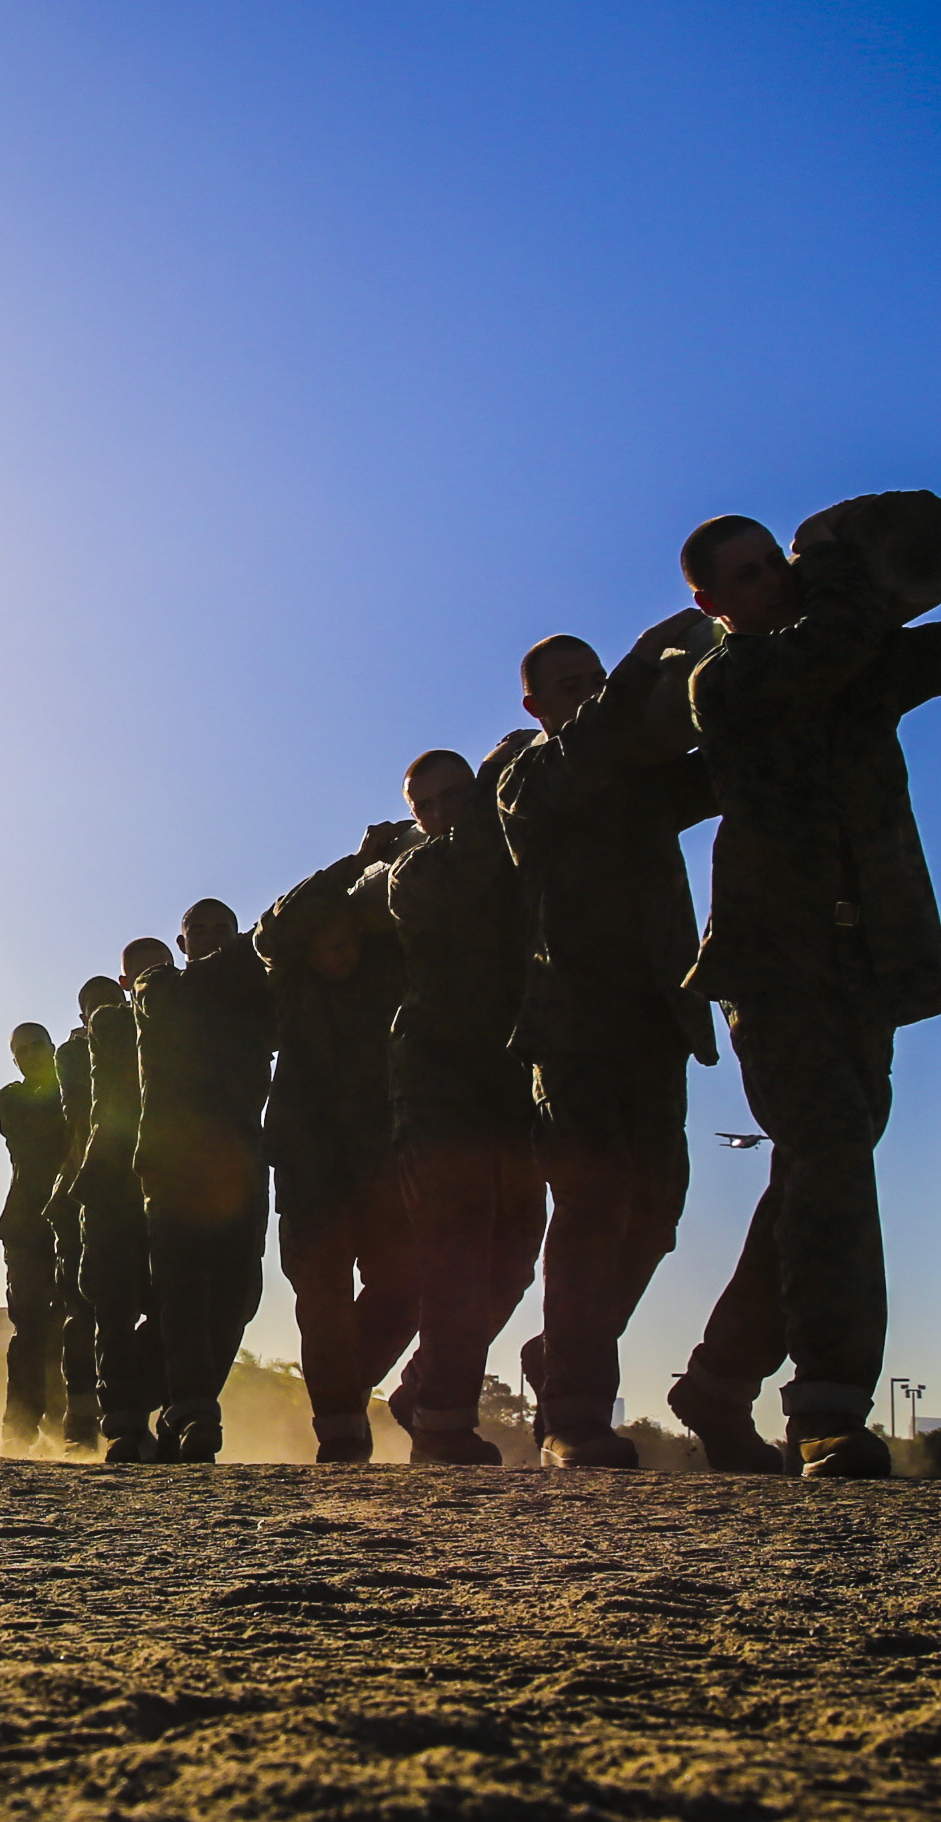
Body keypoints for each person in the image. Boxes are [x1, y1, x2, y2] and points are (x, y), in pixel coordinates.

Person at [666, 496, 941, 1477]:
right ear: (712, 602)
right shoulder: (731, 678)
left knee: (814, 1169)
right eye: (746, 574)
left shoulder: (859, 666)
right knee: (830, 1149)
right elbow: (828, 649)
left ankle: (717, 1381)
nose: (771, 580)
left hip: (868, 962)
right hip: (774, 963)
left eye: (774, 563)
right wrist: (834, 564)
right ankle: (829, 1409)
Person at [497, 620, 723, 1469]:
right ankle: (575, 1415)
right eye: (572, 686)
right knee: (591, 1209)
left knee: (655, 1214)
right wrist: (634, 668)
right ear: (535, 707)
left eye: (596, 678)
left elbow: (720, 765)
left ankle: (561, 1360)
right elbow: (585, 752)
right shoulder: (529, 778)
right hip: (574, 1027)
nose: (590, 693)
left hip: (658, 1020)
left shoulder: (641, 781)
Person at [382, 749, 546, 1466]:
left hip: (512, 1078)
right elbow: (476, 855)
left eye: (458, 797)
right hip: (437, 1084)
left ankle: (421, 1386)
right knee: (458, 1250)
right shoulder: (418, 871)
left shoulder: (511, 853)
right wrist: (498, 781)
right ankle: (443, 1421)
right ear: (415, 815)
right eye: (430, 805)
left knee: (512, 1258)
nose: (445, 812)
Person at [255, 831, 416, 1460]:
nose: (333, 959)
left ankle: (345, 1388)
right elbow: (275, 932)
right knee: (322, 1294)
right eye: (320, 949)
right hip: (306, 1158)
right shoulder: (290, 978)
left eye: (343, 945)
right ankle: (341, 1428)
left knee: (405, 1284)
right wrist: (357, 861)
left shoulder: (389, 960)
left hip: (382, 1153)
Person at [133, 899, 277, 1462]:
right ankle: (192, 1408)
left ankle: (167, 1403)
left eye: (226, 931)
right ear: (182, 940)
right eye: (202, 931)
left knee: (238, 1297)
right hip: (175, 1164)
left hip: (240, 1163)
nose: (214, 939)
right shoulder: (159, 985)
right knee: (184, 1290)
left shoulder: (252, 999)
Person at [81, 937, 175, 1460]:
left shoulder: (185, 1025)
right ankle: (124, 1422)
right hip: (115, 1186)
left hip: (169, 1181)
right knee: (112, 1307)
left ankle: (151, 1406)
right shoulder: (111, 1030)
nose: (151, 981)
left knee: (175, 1305)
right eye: (140, 974)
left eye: (160, 970)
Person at [40, 980, 118, 1452]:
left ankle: (122, 1414)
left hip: (128, 1187)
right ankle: (82, 1421)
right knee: (82, 1309)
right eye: (93, 1008)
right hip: (80, 1191)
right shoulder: (75, 1055)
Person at [0, 1023, 76, 1451]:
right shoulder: (13, 1098)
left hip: (73, 1219)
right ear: (15, 1059)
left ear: (51, 1047)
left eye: (37, 1046)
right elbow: (36, 1134)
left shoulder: (79, 1085)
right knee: (29, 1325)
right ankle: (21, 1426)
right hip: (27, 1226)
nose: (31, 1054)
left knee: (73, 1323)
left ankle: (69, 1422)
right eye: (22, 1050)